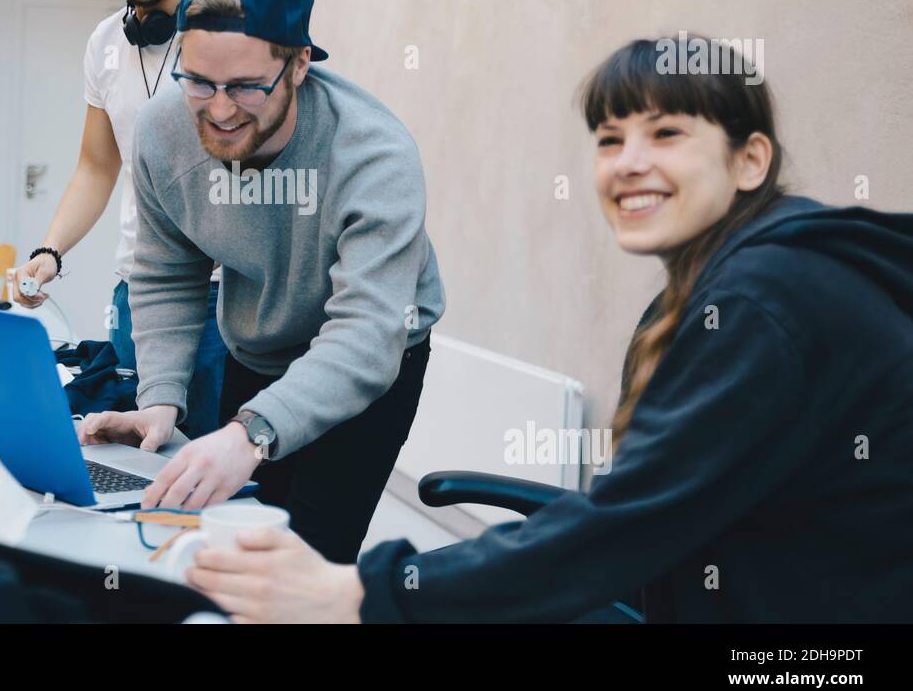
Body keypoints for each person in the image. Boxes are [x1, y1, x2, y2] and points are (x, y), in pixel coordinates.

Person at [183, 36, 913, 622]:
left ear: (750, 159)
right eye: (609, 137)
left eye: (666, 133)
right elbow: (647, 510)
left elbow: (625, 523)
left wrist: (364, 594)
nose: (629, 163)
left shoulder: (763, 299)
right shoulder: (718, 287)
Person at [79, 0, 446, 563]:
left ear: (300, 64)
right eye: (198, 81)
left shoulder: (375, 155)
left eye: (248, 86)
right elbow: (168, 271)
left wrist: (251, 433)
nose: (220, 111)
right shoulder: (163, 132)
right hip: (258, 345)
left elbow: (364, 333)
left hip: (372, 356)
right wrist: (160, 400)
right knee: (235, 541)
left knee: (305, 560)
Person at [11, 0, 226, 438]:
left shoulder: (229, 33)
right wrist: (50, 251)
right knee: (131, 459)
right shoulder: (105, 43)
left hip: (220, 297)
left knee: (203, 468)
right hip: (138, 287)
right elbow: (97, 167)